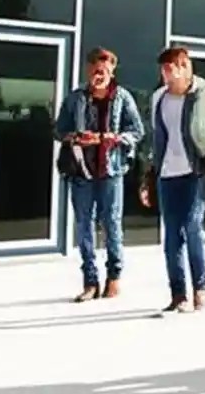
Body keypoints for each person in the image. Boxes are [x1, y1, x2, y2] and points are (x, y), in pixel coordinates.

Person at [141, 46, 205, 314]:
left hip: (197, 171)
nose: (164, 74)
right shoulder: (159, 97)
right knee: (172, 235)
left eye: (169, 69)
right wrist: (149, 172)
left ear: (185, 67)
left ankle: (201, 288)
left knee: (192, 225)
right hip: (167, 173)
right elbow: (155, 138)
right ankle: (178, 295)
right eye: (162, 69)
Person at [54, 48, 145, 302]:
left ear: (112, 71)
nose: (99, 74)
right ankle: (90, 281)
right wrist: (74, 137)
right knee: (84, 225)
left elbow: (137, 131)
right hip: (81, 170)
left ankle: (114, 277)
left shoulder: (123, 97)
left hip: (111, 170)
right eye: (95, 69)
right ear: (88, 70)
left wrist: (108, 138)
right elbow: (59, 129)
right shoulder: (75, 98)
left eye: (104, 70)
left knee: (112, 224)